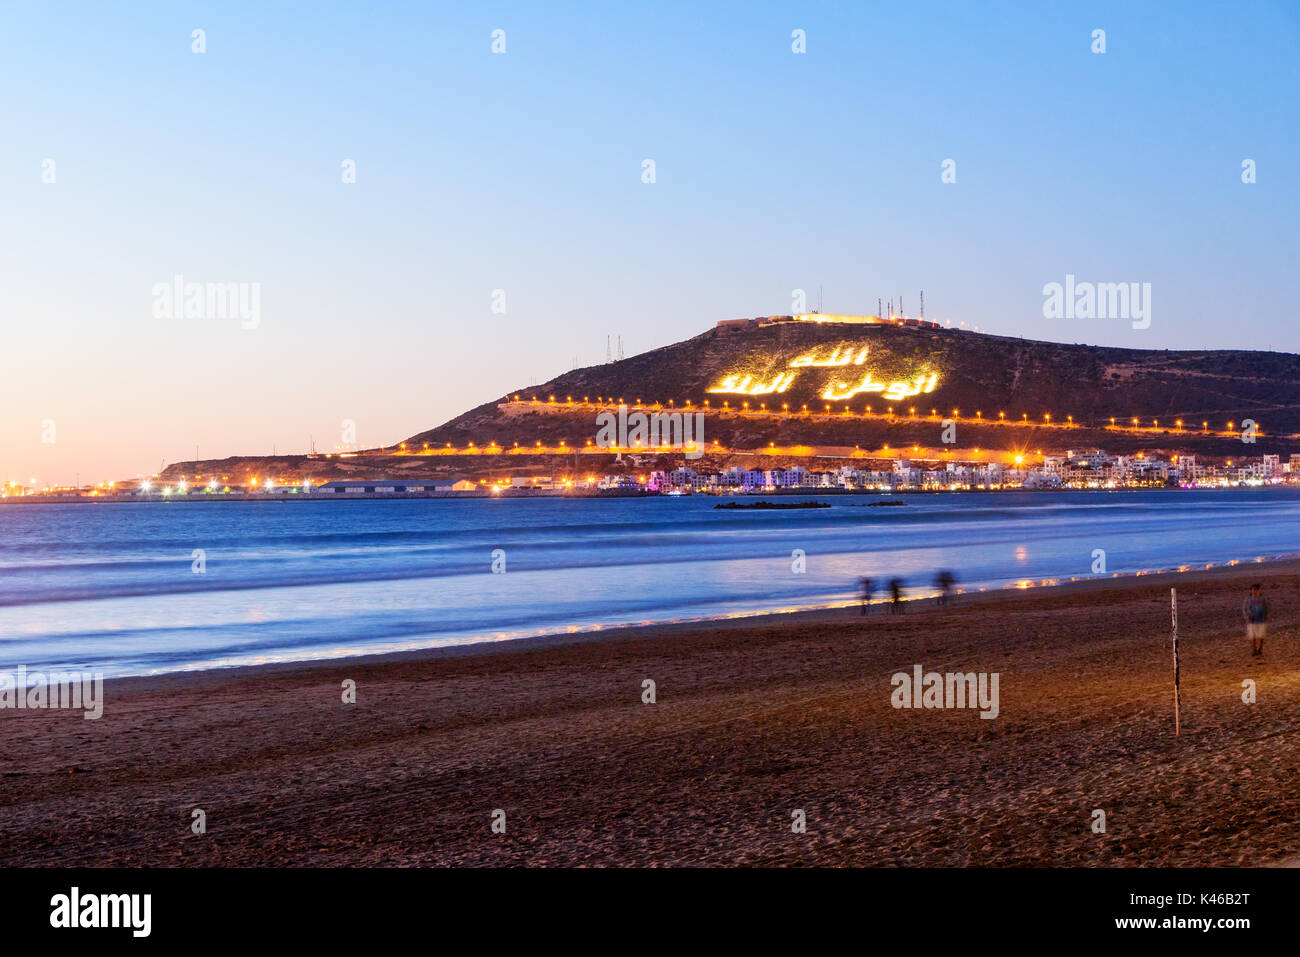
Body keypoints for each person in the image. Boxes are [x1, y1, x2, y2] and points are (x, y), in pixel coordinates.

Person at [1243, 584, 1269, 657]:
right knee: (1253, 635)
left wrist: (1265, 616)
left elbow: (1266, 607)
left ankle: (1260, 649)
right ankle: (1254, 649)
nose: (1255, 591)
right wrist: (1247, 616)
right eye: (1253, 590)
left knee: (1261, 635)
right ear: (1251, 590)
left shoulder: (1263, 598)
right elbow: (1244, 608)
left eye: (1257, 590)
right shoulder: (1248, 599)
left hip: (1261, 619)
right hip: (1252, 619)